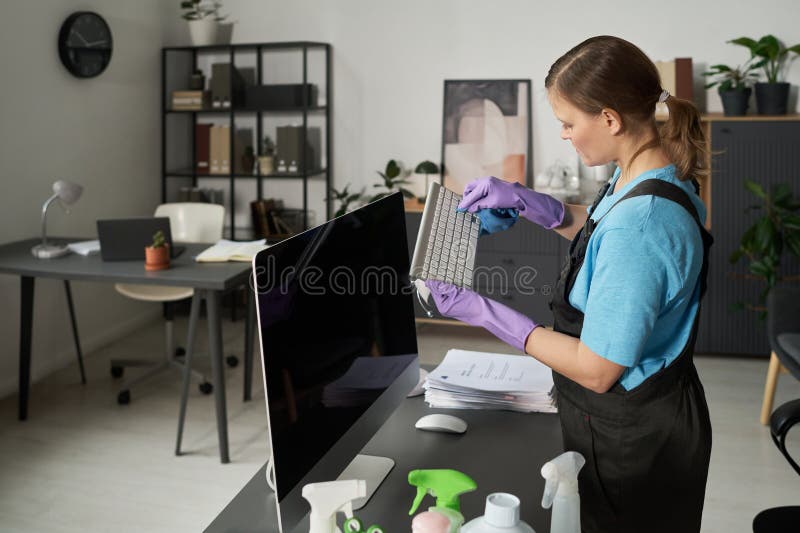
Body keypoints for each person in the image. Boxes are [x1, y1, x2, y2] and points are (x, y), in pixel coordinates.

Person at [425, 35, 713, 533]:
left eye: (567, 122)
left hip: (634, 440)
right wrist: (527, 202)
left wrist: (480, 310)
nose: (563, 134)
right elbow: (600, 226)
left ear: (609, 119)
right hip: (651, 417)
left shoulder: (641, 227)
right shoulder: (651, 173)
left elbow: (598, 369)